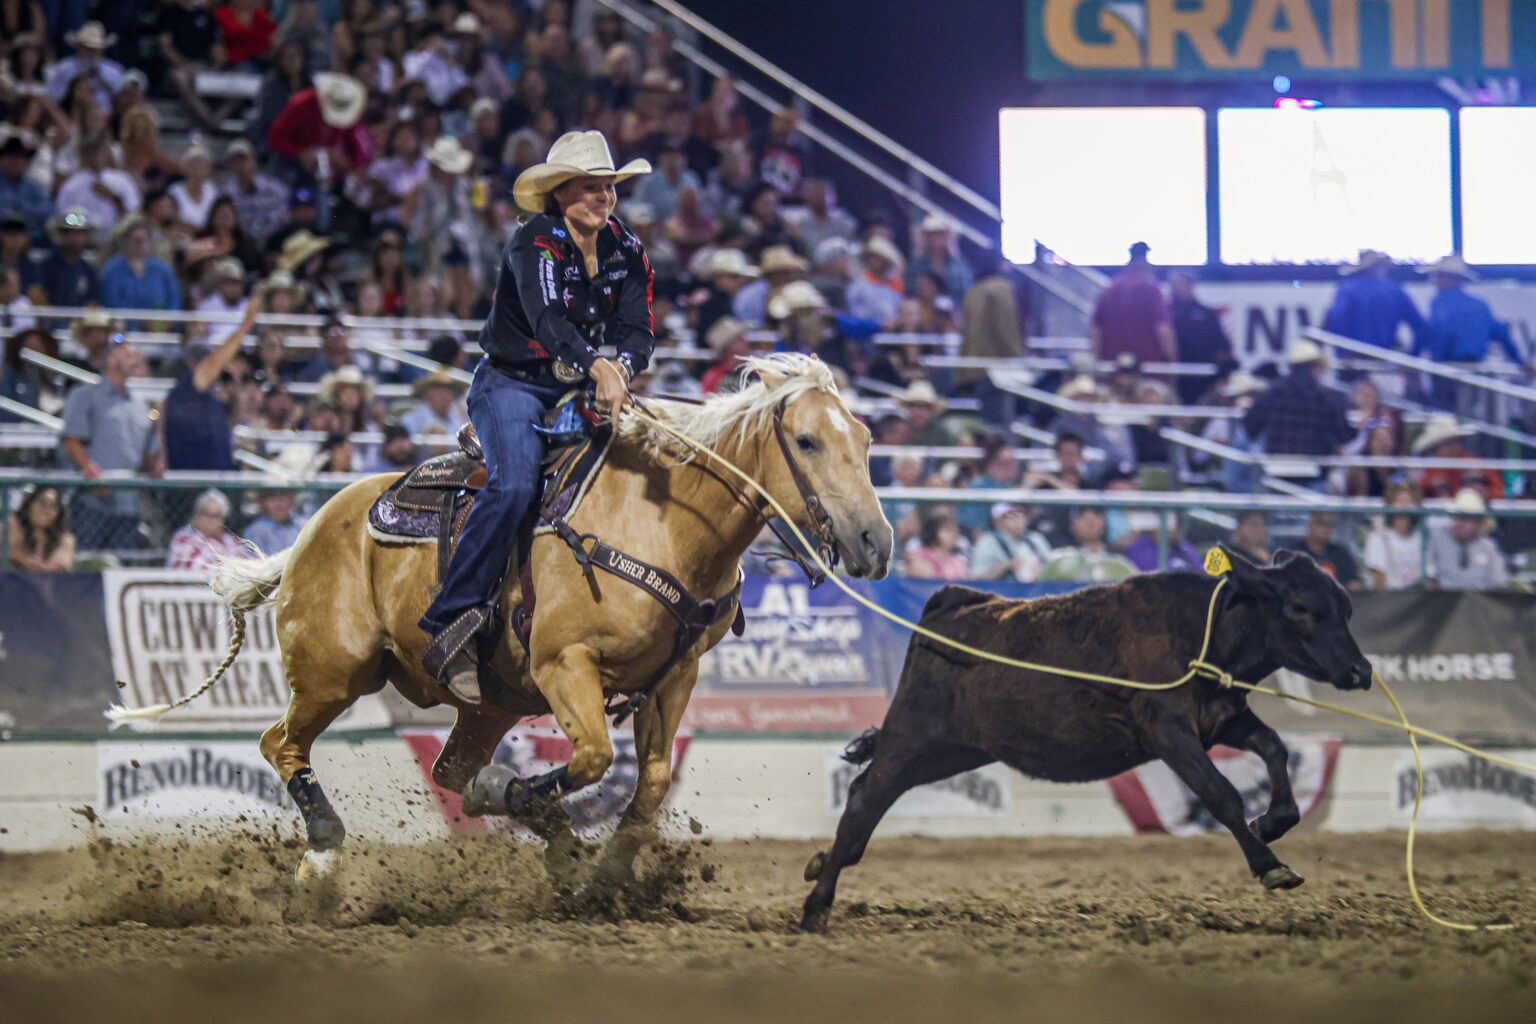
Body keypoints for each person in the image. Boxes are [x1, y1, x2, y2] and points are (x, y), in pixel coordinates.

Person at [419, 130, 654, 703]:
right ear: (559, 194)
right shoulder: (536, 243)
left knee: (641, 469)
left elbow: (639, 331)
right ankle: (452, 621)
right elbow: (548, 321)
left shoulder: (628, 250)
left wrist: (618, 368)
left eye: (608, 187)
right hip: (512, 384)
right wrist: (598, 366)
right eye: (590, 188)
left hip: (579, 385)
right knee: (514, 484)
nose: (603, 198)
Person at [59, 341, 163, 549]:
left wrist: (156, 463)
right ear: (111, 359)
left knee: (123, 564)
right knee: (85, 562)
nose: (135, 359)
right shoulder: (84, 395)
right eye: (128, 354)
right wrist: (92, 474)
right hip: (92, 501)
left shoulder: (141, 404)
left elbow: (149, 454)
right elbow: (71, 440)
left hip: (129, 504)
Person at [1414, 253, 1531, 410]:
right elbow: (1502, 335)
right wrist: (1521, 363)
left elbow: (1434, 334)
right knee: (1468, 413)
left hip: (1446, 371)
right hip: (1474, 371)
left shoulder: (1440, 303)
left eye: (1438, 276)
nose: (1436, 281)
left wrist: (1415, 359)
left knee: (1444, 417)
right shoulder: (1479, 305)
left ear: (1450, 278)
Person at [162, 298, 259, 471]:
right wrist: (245, 326)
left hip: (218, 477)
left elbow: (231, 423)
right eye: (200, 360)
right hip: (191, 482)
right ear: (191, 363)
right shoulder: (185, 389)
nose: (210, 366)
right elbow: (211, 365)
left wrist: (235, 392)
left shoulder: (212, 398)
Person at [1243, 339, 1354, 488]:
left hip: (1276, 469)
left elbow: (1250, 429)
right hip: (1316, 471)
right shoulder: (1329, 398)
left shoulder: (1269, 395)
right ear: (1315, 367)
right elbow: (1343, 436)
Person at [1322, 249, 1425, 351]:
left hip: (1352, 358)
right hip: (1388, 357)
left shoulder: (1346, 289)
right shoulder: (1395, 291)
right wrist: (1413, 355)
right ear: (1379, 267)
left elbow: (1335, 320)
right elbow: (1420, 327)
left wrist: (1341, 352)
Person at [1090, 241, 1173, 363]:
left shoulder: (1110, 290)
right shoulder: (1152, 291)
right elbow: (1163, 331)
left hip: (1112, 370)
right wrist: (1172, 363)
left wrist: (1097, 365)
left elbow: (1096, 332)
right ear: (1147, 261)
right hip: (1147, 371)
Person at [52, 134, 139, 244]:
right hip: (82, 243)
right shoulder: (71, 185)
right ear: (83, 155)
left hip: (116, 243)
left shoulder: (123, 180)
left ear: (105, 153)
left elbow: (134, 213)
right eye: (89, 152)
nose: (94, 156)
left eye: (97, 151)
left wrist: (114, 198)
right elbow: (62, 215)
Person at [1167, 271, 1232, 405]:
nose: (1179, 287)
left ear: (1192, 285)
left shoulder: (1206, 313)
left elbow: (1222, 346)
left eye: (1183, 283)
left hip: (1203, 378)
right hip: (1173, 377)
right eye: (1175, 284)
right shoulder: (1164, 313)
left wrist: (1220, 377)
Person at [1425, 488, 1507, 590]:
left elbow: (1498, 583)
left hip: (1478, 602)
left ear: (1478, 522)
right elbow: (1428, 576)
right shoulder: (1436, 538)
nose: (1459, 522)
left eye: (1465, 518)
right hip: (1442, 601)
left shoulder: (1488, 547)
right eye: (1456, 516)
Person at [97, 218, 181, 311]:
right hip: (121, 323)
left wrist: (164, 323)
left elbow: (174, 301)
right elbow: (108, 302)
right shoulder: (111, 270)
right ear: (126, 241)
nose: (141, 244)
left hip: (158, 324)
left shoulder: (163, 270)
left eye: (144, 240)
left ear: (150, 242)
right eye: (136, 240)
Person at [1414, 415, 1503, 499]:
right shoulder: (1433, 469)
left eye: (1450, 443)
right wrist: (1434, 489)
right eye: (1437, 448)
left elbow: (1498, 493)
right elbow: (1419, 491)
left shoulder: (1475, 464)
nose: (1446, 449)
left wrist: (1483, 492)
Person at [29, 206, 98, 307]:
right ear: (61, 235)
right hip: (50, 320)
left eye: (79, 233)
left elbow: (92, 303)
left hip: (78, 322)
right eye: (68, 232)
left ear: (85, 236)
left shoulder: (89, 272)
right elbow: (38, 295)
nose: (74, 237)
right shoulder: (45, 267)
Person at [166, 489, 249, 571]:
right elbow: (193, 567)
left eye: (216, 515)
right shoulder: (184, 538)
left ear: (224, 519)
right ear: (195, 515)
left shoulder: (232, 541)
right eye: (205, 513)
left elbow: (247, 567)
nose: (210, 519)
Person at [1363, 480, 1425, 589]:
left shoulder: (1423, 538)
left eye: (1409, 501)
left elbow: (1430, 577)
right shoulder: (1378, 537)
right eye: (1399, 501)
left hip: (1420, 598)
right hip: (1390, 600)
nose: (1404, 506)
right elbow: (1378, 579)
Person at [969, 502, 1048, 582]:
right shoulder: (987, 541)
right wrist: (1006, 566)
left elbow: (1051, 568)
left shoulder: (1036, 538)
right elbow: (976, 579)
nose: (1017, 519)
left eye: (1020, 513)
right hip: (1001, 591)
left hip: (1038, 590)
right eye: (1011, 515)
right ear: (998, 521)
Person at [1281, 512, 1361, 589]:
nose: (1326, 530)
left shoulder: (1342, 555)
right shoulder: (1293, 553)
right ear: (1310, 524)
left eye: (1330, 525)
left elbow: (1354, 583)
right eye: (1321, 524)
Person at [8, 486, 75, 571]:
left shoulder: (65, 539)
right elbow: (6, 553)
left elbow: (56, 567)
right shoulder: (13, 524)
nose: (46, 510)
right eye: (41, 503)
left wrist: (22, 560)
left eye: (53, 506)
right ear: (29, 504)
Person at [906, 215, 973, 299]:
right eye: (930, 235)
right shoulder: (916, 266)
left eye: (939, 234)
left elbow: (965, 293)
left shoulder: (959, 266)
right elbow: (910, 291)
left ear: (947, 237)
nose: (934, 239)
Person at [903, 506, 969, 579]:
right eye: (947, 530)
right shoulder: (918, 556)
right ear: (933, 532)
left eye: (954, 530)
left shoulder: (957, 562)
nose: (953, 534)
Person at [399, 369, 469, 438]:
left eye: (448, 391)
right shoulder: (409, 421)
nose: (444, 396)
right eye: (438, 391)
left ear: (453, 396)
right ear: (426, 394)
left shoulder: (459, 424)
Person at [243, 486, 308, 554]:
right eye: (272, 498)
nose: (278, 503)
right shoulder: (256, 530)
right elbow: (255, 561)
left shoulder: (304, 525)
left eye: (283, 497)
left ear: (291, 500)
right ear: (263, 503)